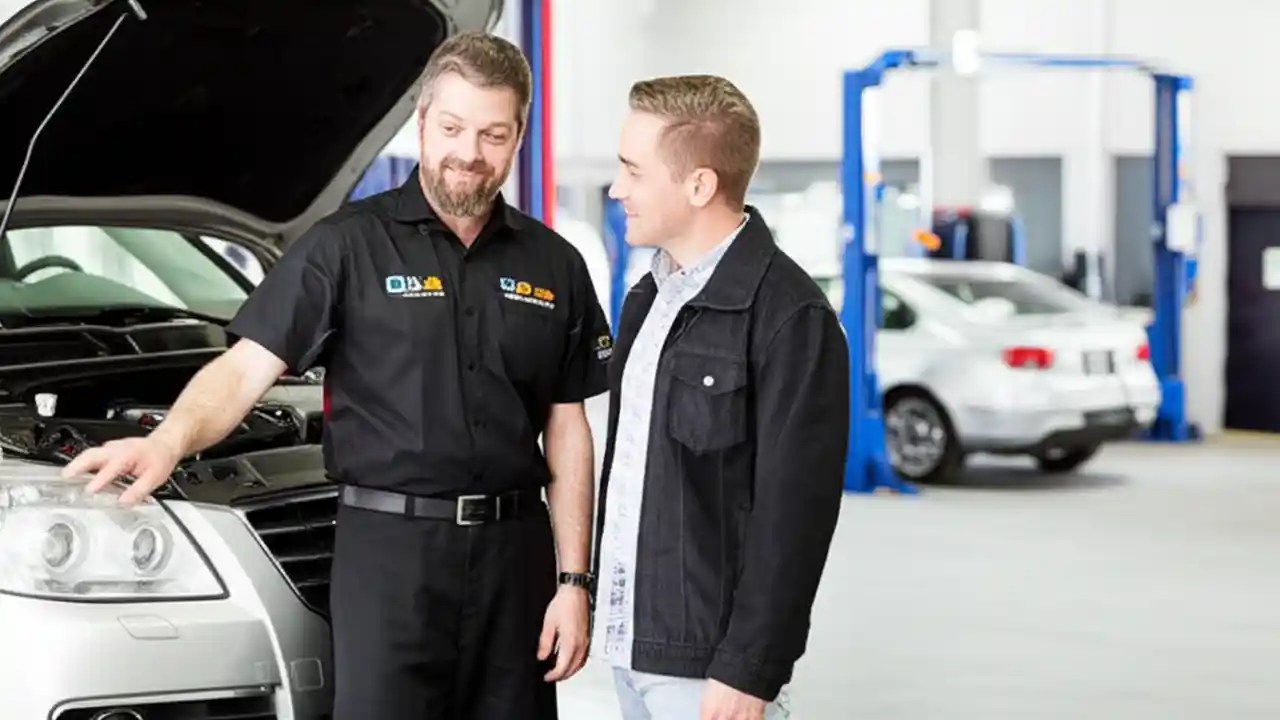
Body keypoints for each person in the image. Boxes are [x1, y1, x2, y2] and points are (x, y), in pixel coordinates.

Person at [62, 31, 610, 720]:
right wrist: (167, 441)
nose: (469, 153)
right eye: (453, 127)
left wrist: (573, 580)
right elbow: (244, 369)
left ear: (519, 134)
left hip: (517, 560)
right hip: (389, 559)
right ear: (422, 122)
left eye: (494, 135)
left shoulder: (554, 265)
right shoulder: (345, 247)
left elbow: (568, 427)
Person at [591, 74, 851, 720]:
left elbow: (795, 516)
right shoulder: (647, 298)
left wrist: (751, 667)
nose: (617, 188)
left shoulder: (790, 317)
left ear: (699, 185)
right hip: (632, 645)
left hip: (708, 672)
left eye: (632, 170)